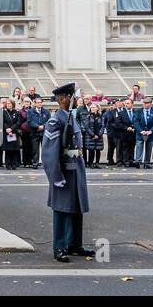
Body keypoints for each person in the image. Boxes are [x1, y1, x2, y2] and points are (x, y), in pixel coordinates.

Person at [42, 82, 91, 263]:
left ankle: (74, 244)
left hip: (75, 168)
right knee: (62, 210)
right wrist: (55, 176)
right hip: (64, 171)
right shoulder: (56, 120)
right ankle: (59, 246)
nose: (76, 100)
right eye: (73, 97)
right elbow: (48, 151)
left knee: (76, 207)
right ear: (64, 99)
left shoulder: (71, 117)